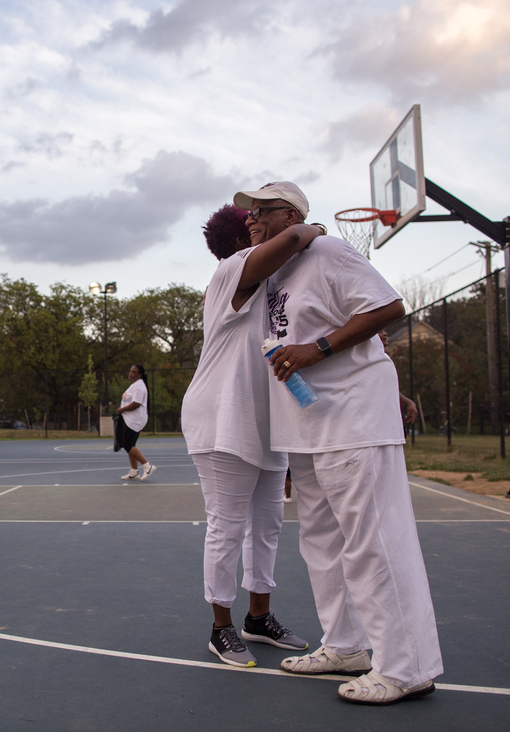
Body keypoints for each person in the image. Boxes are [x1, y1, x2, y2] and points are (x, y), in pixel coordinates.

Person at [235, 181, 442, 704]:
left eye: (262, 211)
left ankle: (405, 667)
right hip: (307, 428)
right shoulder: (273, 272)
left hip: (351, 420)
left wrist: (319, 349)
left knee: (373, 542)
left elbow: (386, 307)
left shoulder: (326, 250)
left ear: (292, 215)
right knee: (322, 545)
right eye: (249, 213)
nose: (252, 219)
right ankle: (346, 645)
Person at [181, 204, 321, 667]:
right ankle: (221, 627)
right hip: (222, 417)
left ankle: (258, 618)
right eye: (250, 222)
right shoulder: (230, 272)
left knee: (268, 526)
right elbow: (290, 242)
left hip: (265, 421)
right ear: (239, 241)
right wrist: (313, 227)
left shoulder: (270, 287)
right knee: (227, 524)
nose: (257, 223)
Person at [117, 364, 155, 481]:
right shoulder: (135, 385)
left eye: (134, 372)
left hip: (134, 421)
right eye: (130, 371)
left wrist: (122, 409)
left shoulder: (139, 386)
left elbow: (136, 404)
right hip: (130, 419)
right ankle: (134, 472)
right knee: (130, 445)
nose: (131, 373)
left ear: (140, 374)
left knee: (127, 445)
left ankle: (147, 466)